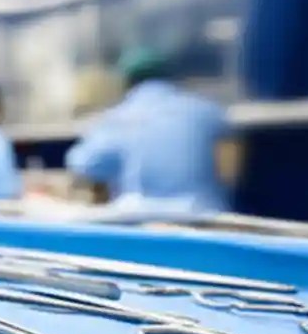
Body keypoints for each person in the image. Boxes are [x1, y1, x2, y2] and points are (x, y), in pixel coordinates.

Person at [66, 48, 230, 213]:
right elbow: (228, 167)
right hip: (205, 214)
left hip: (145, 219)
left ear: (127, 82)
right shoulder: (206, 110)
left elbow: (84, 163)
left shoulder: (117, 118)